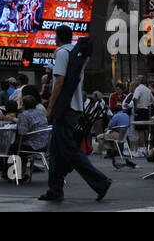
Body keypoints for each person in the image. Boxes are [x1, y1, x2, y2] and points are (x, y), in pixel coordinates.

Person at [40, 25, 110, 203]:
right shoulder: (78, 53)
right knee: (56, 150)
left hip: (65, 108)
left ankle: (100, 181)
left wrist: (50, 107)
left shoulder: (62, 52)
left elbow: (59, 81)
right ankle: (55, 189)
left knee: (70, 149)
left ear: (57, 37)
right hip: (74, 106)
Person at [130, 75, 154, 155]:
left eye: (136, 80)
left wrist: (136, 106)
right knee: (146, 129)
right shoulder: (148, 89)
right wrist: (147, 104)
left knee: (140, 129)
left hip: (140, 110)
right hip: (146, 110)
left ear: (139, 81)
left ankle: (142, 147)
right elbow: (153, 100)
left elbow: (134, 98)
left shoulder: (138, 88)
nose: (135, 81)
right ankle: (147, 146)